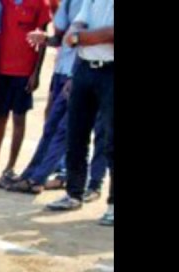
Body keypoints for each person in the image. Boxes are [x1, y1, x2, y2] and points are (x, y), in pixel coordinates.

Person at [43, 0, 113, 227]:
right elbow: (71, 31)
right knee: (76, 135)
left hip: (111, 71)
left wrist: (80, 38)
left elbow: (110, 33)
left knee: (111, 141)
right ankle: (74, 193)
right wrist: (83, 36)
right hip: (84, 69)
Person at [0, 0, 50, 183]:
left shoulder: (41, 4)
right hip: (2, 69)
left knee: (19, 118)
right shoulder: (0, 3)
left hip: (24, 70)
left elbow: (43, 40)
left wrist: (35, 73)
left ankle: (10, 167)